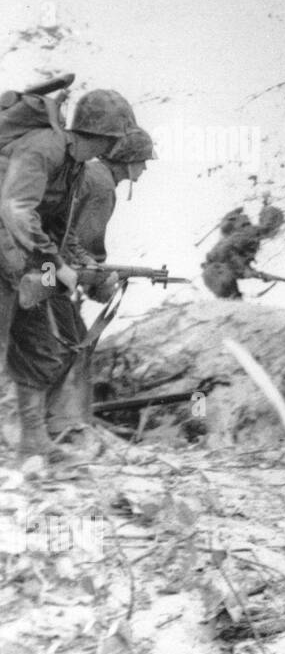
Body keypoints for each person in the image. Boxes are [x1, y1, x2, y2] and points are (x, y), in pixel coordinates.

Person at [0, 89, 142, 463]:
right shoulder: (44, 148)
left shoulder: (75, 167)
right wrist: (55, 266)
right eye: (114, 139)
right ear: (105, 136)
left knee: (41, 348)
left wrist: (57, 273)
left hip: (23, 264)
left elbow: (58, 230)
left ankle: (33, 443)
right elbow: (16, 209)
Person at [46, 129, 158, 445]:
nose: (145, 169)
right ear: (129, 160)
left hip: (43, 265)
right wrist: (101, 281)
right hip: (49, 271)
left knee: (65, 340)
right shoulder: (103, 186)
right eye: (143, 161)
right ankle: (61, 426)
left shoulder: (89, 172)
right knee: (73, 344)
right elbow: (78, 244)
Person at [201, 204, 285, 299]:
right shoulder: (244, 233)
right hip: (220, 266)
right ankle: (232, 296)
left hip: (215, 267)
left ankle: (232, 296)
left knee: (224, 280)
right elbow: (268, 228)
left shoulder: (229, 237)